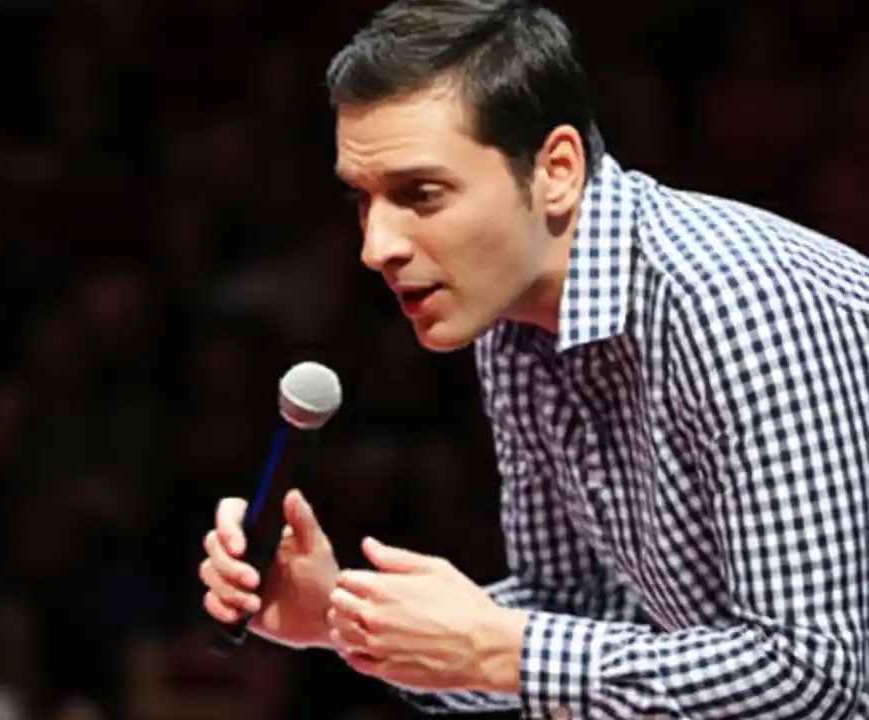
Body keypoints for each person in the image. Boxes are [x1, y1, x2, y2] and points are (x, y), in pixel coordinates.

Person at [196, 0, 869, 717]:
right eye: (363, 199)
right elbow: (575, 608)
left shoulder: (733, 303)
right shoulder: (513, 321)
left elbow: (820, 675)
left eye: (421, 194)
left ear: (557, 170)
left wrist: (503, 650)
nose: (375, 247)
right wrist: (342, 618)